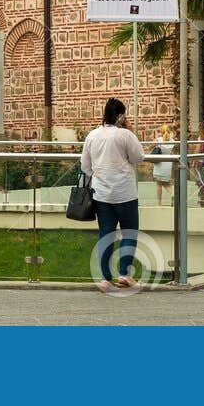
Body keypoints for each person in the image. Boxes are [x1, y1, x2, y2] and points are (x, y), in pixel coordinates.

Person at [80, 97, 145, 291]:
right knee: (129, 232)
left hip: (101, 194)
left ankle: (105, 278)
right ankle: (125, 274)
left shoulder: (92, 135)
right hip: (125, 193)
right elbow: (138, 157)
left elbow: (85, 166)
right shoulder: (125, 135)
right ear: (120, 115)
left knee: (106, 234)